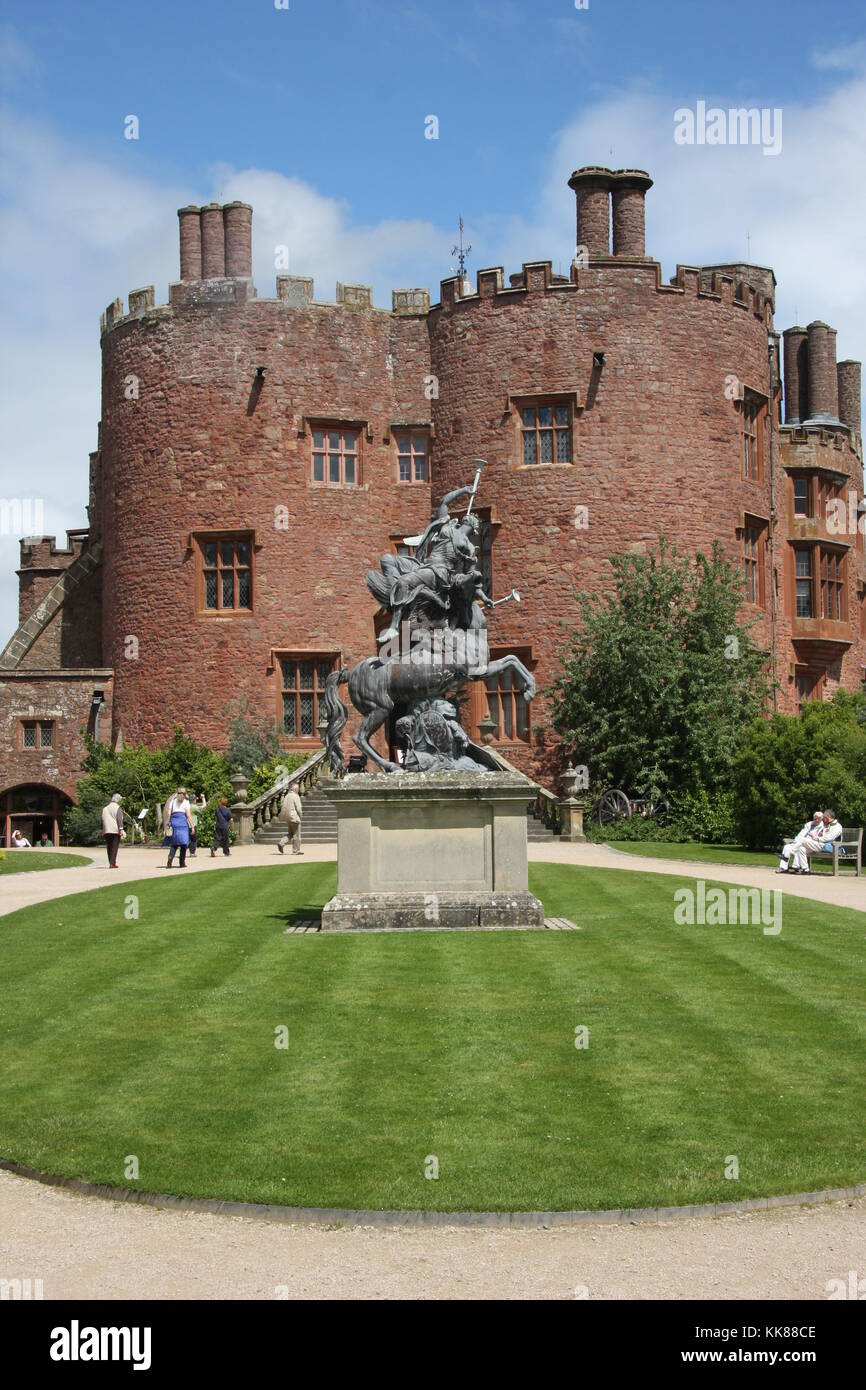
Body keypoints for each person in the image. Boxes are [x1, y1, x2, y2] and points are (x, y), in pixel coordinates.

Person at [793, 809, 843, 874]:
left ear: (828, 817)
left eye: (824, 817)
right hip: (820, 845)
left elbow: (829, 838)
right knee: (801, 848)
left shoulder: (837, 826)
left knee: (802, 840)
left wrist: (817, 838)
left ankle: (790, 851)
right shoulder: (826, 825)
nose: (822, 819)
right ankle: (805, 869)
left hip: (831, 847)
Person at [165, 786, 193, 868]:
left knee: (174, 844)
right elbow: (188, 816)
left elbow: (169, 814)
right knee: (184, 844)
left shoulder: (172, 802)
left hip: (174, 823)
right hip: (182, 824)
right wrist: (192, 826)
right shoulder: (186, 802)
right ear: (184, 794)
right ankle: (182, 862)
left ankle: (170, 857)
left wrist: (167, 825)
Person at [277, 782, 304, 855]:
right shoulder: (296, 796)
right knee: (296, 835)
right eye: (298, 788)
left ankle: (281, 842)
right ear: (295, 789)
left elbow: (283, 806)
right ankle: (296, 851)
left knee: (290, 833)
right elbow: (298, 808)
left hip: (288, 817)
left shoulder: (287, 796)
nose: (298, 790)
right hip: (294, 817)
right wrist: (300, 816)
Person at [100, 793, 125, 868]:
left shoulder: (105, 808)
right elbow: (119, 819)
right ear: (118, 800)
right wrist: (121, 829)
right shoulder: (117, 808)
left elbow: (102, 820)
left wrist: (101, 830)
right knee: (114, 847)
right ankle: (112, 863)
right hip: (115, 829)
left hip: (106, 829)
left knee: (109, 846)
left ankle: (111, 862)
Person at [188, 792, 206, 857]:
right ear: (193, 800)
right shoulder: (194, 807)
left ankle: (189, 851)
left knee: (189, 839)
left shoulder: (187, 806)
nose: (196, 800)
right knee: (194, 839)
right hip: (193, 824)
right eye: (195, 799)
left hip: (186, 824)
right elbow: (204, 806)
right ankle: (192, 852)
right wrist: (203, 798)